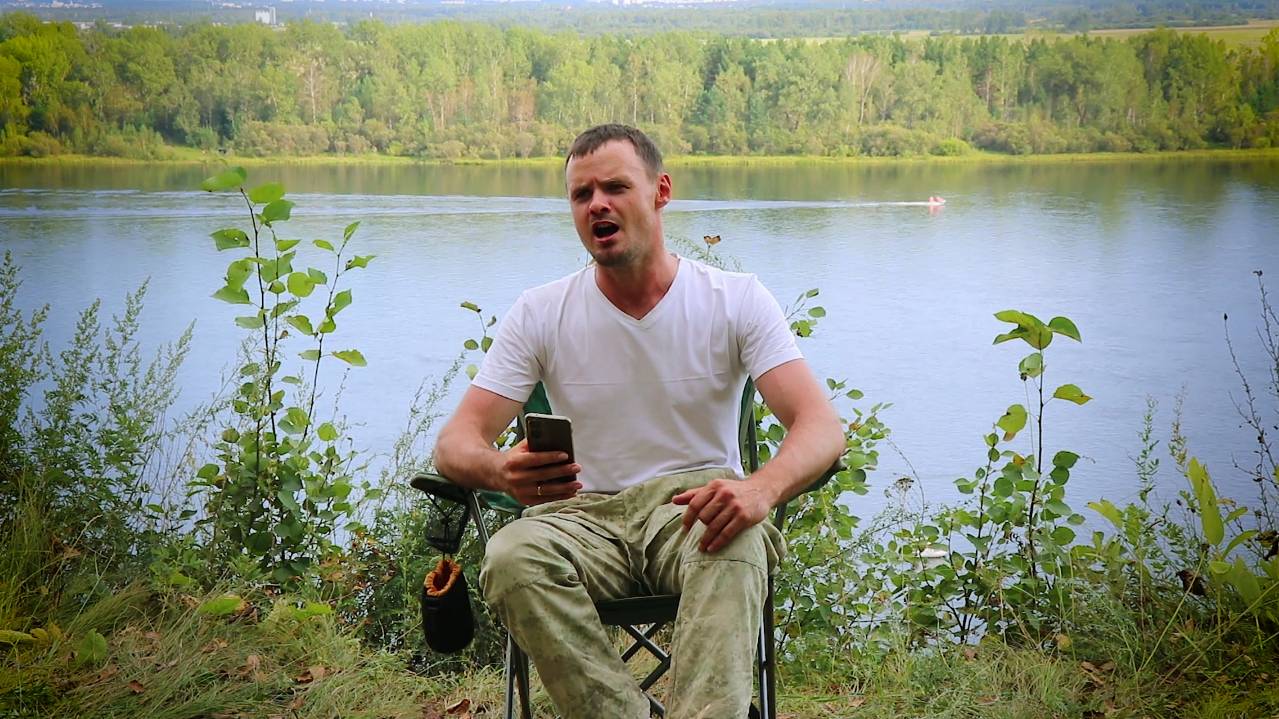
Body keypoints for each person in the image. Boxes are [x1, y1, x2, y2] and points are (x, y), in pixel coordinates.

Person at [432, 124, 844, 719]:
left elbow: (821, 426)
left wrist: (760, 489)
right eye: (581, 194)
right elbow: (454, 443)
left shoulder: (734, 299)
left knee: (739, 537)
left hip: (690, 509)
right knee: (511, 556)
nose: (597, 204)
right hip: (580, 519)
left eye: (615, 187)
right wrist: (499, 470)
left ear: (660, 191)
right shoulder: (541, 312)